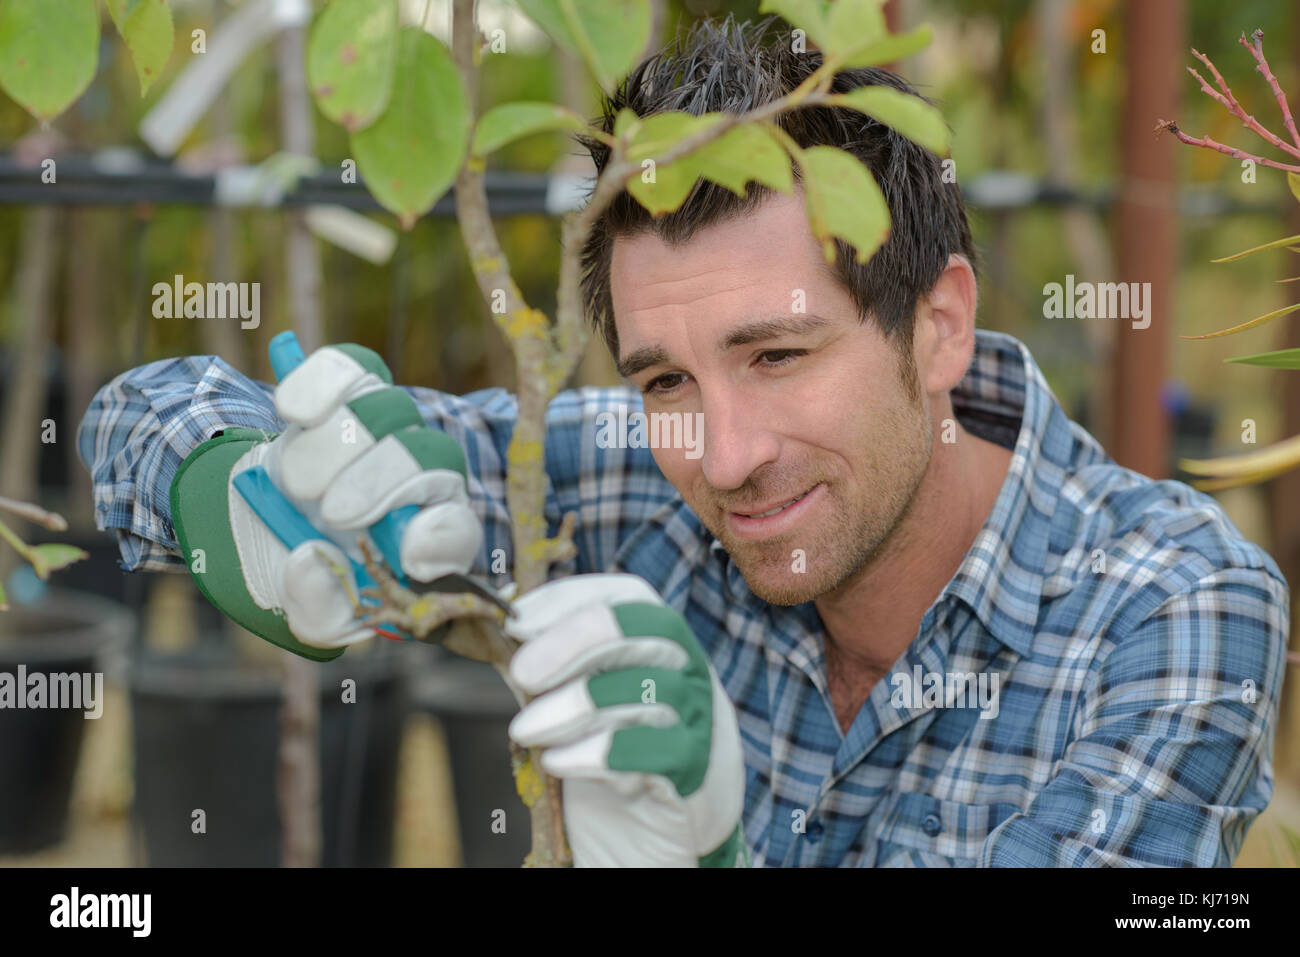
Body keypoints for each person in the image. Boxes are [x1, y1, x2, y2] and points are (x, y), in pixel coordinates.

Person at [77, 15, 1288, 867]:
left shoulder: (1172, 611)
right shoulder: (625, 479)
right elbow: (141, 409)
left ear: (938, 327)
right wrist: (247, 490)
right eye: (664, 377)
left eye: (778, 355)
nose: (721, 456)